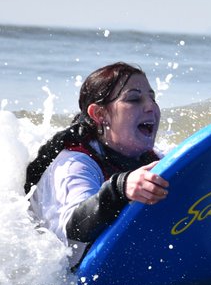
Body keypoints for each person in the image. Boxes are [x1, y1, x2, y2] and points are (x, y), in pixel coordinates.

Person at [25, 62, 168, 269]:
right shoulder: (75, 162)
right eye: (134, 99)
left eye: (152, 98)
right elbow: (74, 227)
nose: (151, 107)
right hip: (65, 280)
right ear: (100, 115)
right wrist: (119, 188)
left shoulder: (153, 157)